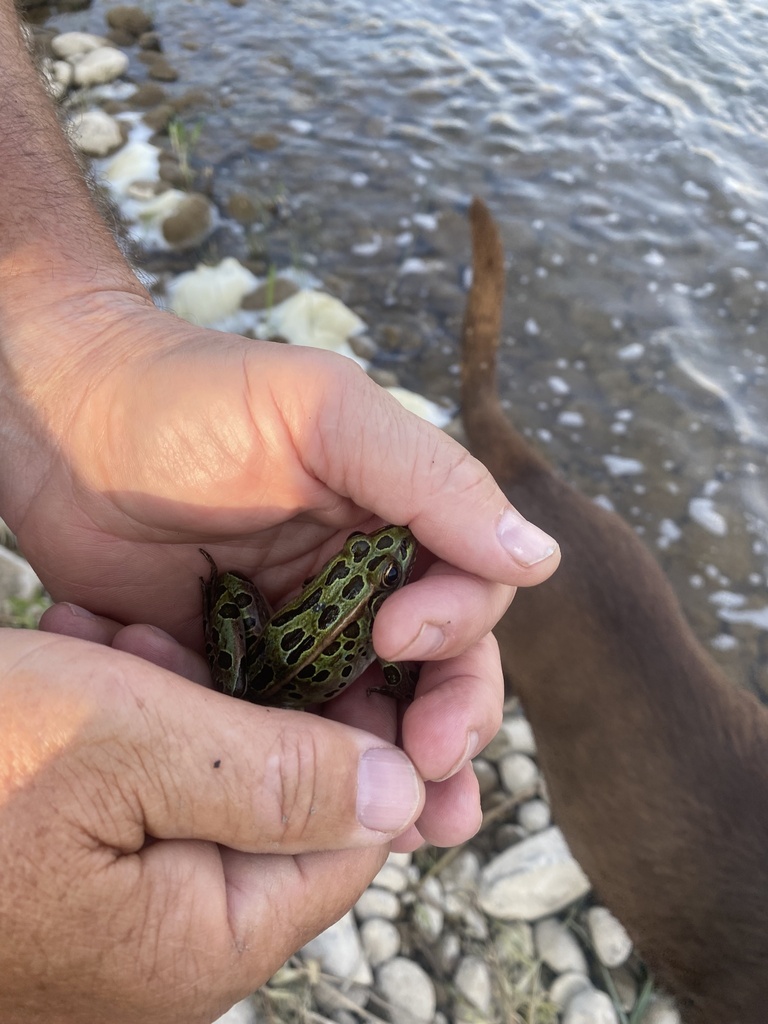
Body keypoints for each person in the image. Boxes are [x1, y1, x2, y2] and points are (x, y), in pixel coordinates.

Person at [0, 3, 560, 1022]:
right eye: (382, 556)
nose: (384, 553)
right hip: (291, 672)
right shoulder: (378, 603)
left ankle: (227, 608)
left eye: (379, 557)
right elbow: (388, 654)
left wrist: (65, 348)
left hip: (284, 670)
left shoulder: (365, 580)